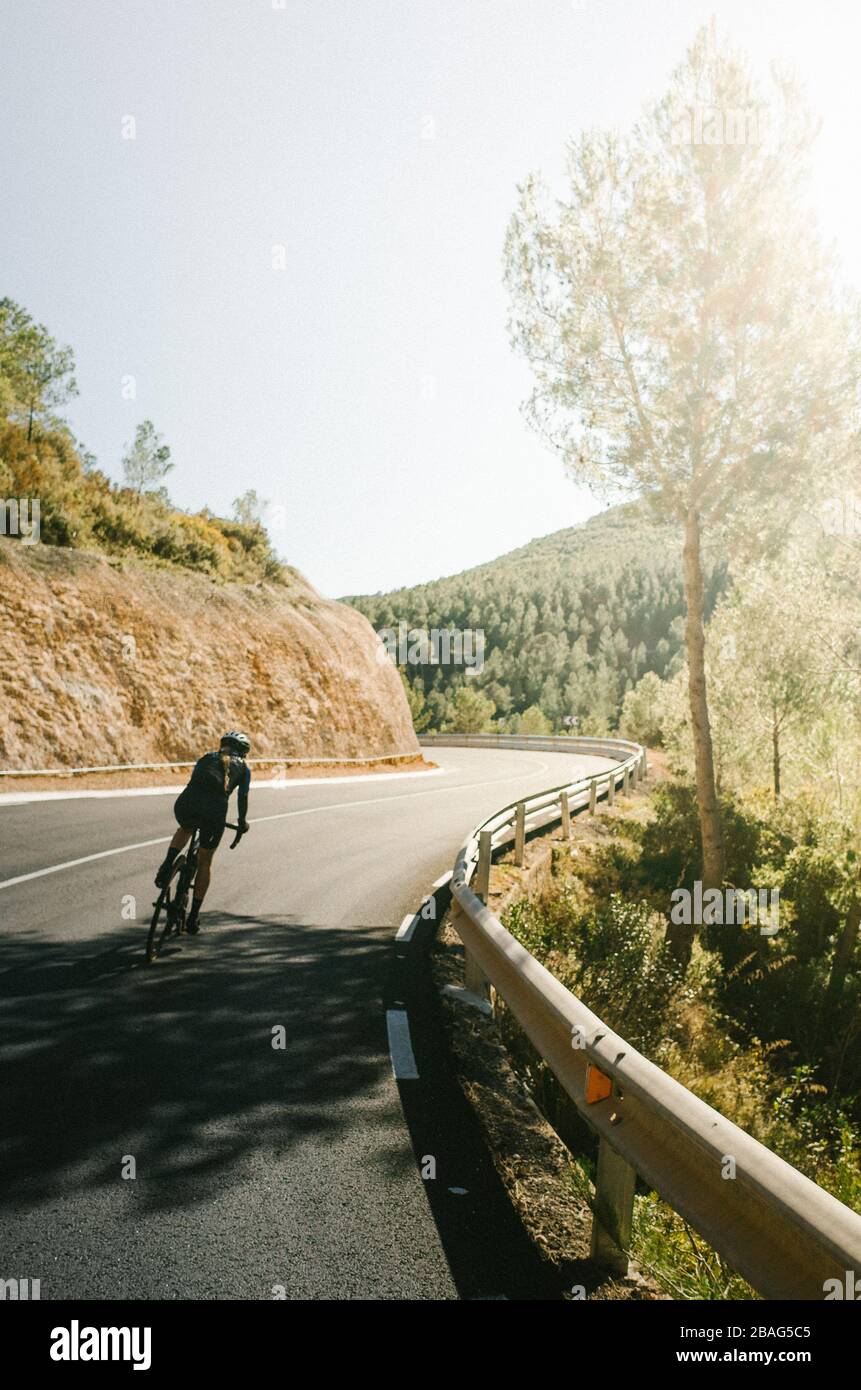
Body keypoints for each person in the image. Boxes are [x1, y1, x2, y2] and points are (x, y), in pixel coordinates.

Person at [154, 731, 251, 933]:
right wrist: (242, 822)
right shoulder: (243, 768)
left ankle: (167, 865)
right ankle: (193, 917)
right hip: (213, 812)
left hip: (186, 803)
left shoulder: (206, 757)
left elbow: (196, 782)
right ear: (243, 752)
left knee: (185, 828)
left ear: (222, 745)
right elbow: (242, 797)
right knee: (205, 859)